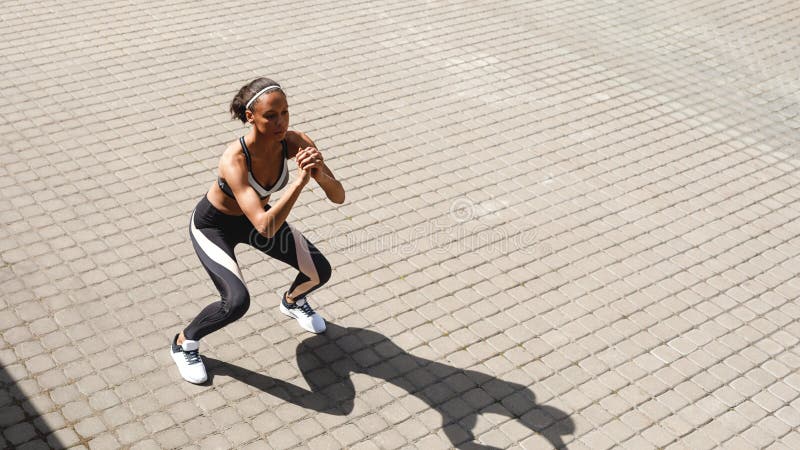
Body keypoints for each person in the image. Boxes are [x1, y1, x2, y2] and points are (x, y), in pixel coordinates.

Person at [170, 78, 345, 384]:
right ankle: (184, 343)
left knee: (319, 271)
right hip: (214, 226)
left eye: (285, 112)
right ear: (251, 117)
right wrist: (299, 182)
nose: (281, 122)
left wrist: (319, 174)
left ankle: (292, 301)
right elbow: (264, 227)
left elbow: (338, 196)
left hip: (257, 219)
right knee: (236, 302)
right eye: (271, 116)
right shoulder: (234, 159)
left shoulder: (296, 141)